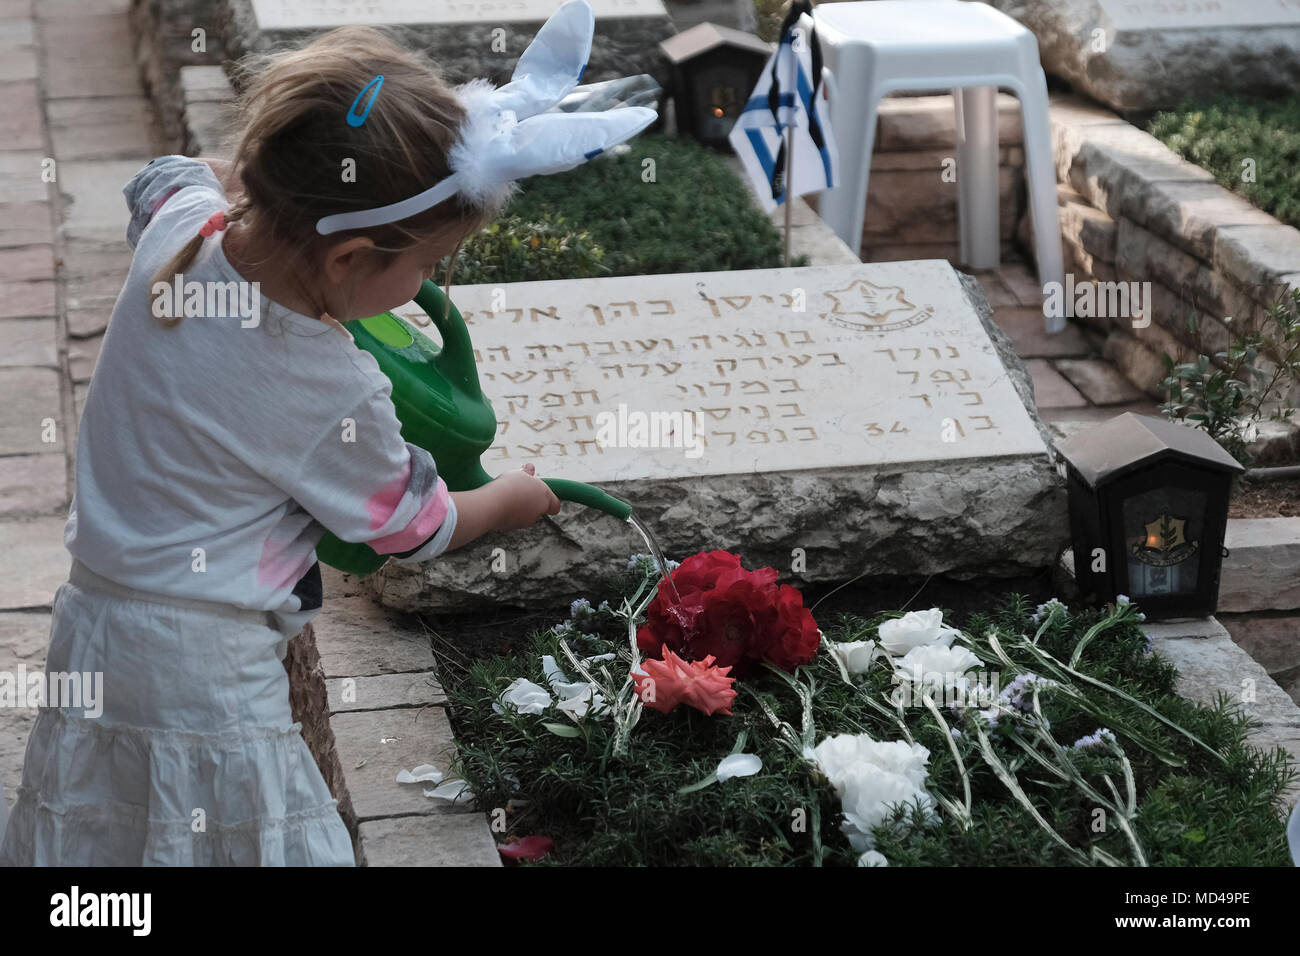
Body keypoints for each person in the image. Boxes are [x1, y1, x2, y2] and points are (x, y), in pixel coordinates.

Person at [0, 0, 653, 866]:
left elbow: (170, 171)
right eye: (425, 263)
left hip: (96, 621)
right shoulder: (330, 383)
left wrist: (261, 191)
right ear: (348, 259)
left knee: (112, 823)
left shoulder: (181, 235)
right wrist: (507, 501)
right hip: (208, 668)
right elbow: (406, 527)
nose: (429, 280)